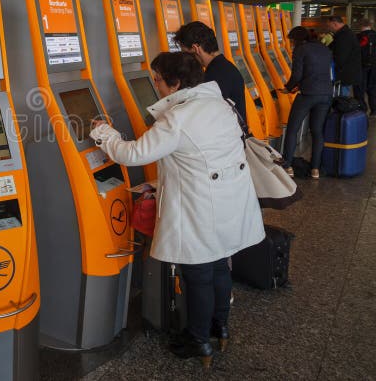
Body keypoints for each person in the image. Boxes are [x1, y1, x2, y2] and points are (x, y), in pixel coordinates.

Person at [90, 52, 265, 368]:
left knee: (198, 273)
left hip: (201, 208)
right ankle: (220, 327)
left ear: (175, 83)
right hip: (227, 200)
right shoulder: (220, 103)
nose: (154, 84)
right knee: (218, 267)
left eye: (156, 79)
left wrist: (104, 133)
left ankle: (199, 341)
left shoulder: (178, 118)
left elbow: (132, 154)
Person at [280, 26, 333, 179]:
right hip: (325, 94)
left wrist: (288, 88)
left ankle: (288, 165)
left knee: (292, 129)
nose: (290, 44)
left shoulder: (300, 50)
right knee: (317, 131)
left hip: (308, 94)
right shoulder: (324, 48)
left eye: (291, 41)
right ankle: (315, 169)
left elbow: (297, 75)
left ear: (296, 39)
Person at [174, 21, 246, 121]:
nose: (186, 58)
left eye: (185, 53)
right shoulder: (226, 67)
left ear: (195, 48)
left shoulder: (212, 78)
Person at [327, 15, 361, 96]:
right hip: (347, 73)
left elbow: (341, 57)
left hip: (344, 74)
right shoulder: (345, 33)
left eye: (329, 26)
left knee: (342, 100)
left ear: (334, 24)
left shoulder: (344, 36)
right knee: (342, 97)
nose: (329, 28)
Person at [355, 19, 376, 114]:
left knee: (360, 88)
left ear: (361, 26)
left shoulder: (358, 37)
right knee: (373, 88)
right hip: (374, 66)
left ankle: (362, 109)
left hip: (361, 66)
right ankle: (374, 110)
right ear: (370, 26)